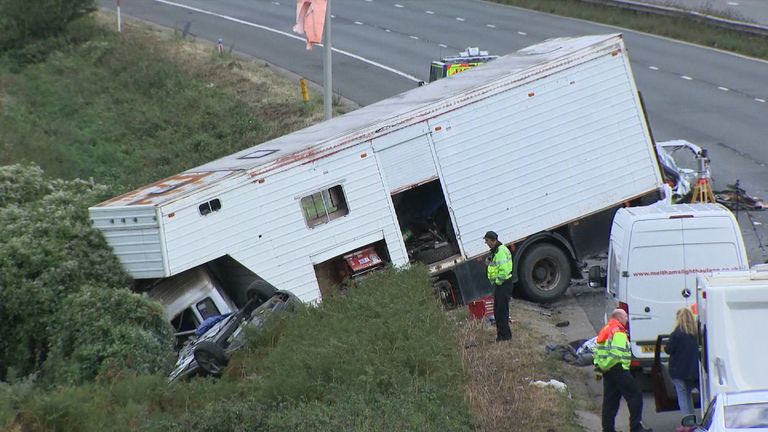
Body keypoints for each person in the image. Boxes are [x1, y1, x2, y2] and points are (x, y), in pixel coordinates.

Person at [594, 309, 652, 432]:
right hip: (618, 369)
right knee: (635, 395)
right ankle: (636, 427)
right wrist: (613, 366)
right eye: (625, 316)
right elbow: (616, 354)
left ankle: (608, 429)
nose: (627, 319)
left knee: (610, 401)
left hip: (607, 370)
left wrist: (601, 368)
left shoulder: (605, 329)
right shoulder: (618, 331)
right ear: (619, 317)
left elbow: (597, 352)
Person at [665, 307, 699, 417]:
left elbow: (669, 349)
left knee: (683, 396)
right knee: (688, 394)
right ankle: (692, 418)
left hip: (678, 370)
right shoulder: (695, 334)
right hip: (692, 370)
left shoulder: (677, 333)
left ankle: (687, 421)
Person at [483, 231, 513, 342]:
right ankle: (501, 336)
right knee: (498, 310)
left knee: (501, 311)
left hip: (503, 284)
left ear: (493, 240)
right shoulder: (497, 251)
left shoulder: (500, 251)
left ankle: (505, 336)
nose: (486, 243)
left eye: (487, 241)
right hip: (502, 284)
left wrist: (498, 282)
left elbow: (504, 271)